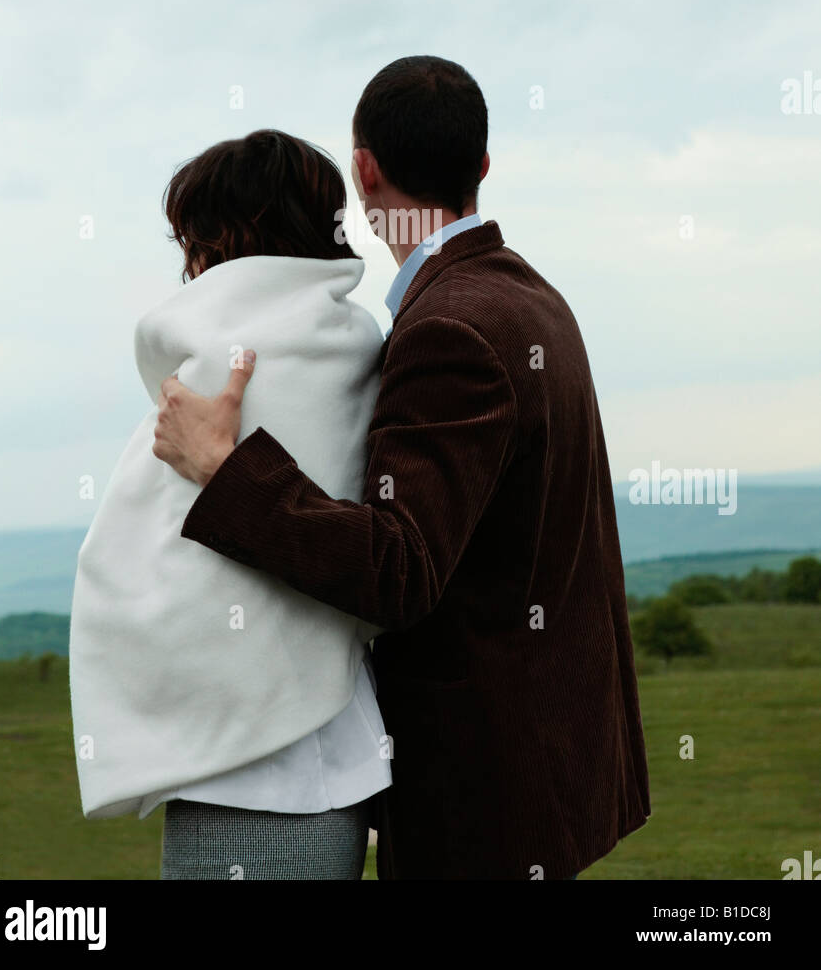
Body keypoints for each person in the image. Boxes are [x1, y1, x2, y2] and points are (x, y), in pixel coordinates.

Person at [153, 57, 652, 881]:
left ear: (364, 171)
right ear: (482, 167)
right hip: (554, 766)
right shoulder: (533, 299)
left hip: (486, 795)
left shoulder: (448, 328)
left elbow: (400, 568)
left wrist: (224, 466)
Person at [69, 131, 391, 880]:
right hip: (335, 740)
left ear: (215, 238)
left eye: (190, 238)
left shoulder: (223, 363)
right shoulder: (355, 345)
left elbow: (136, 559)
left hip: (239, 767)